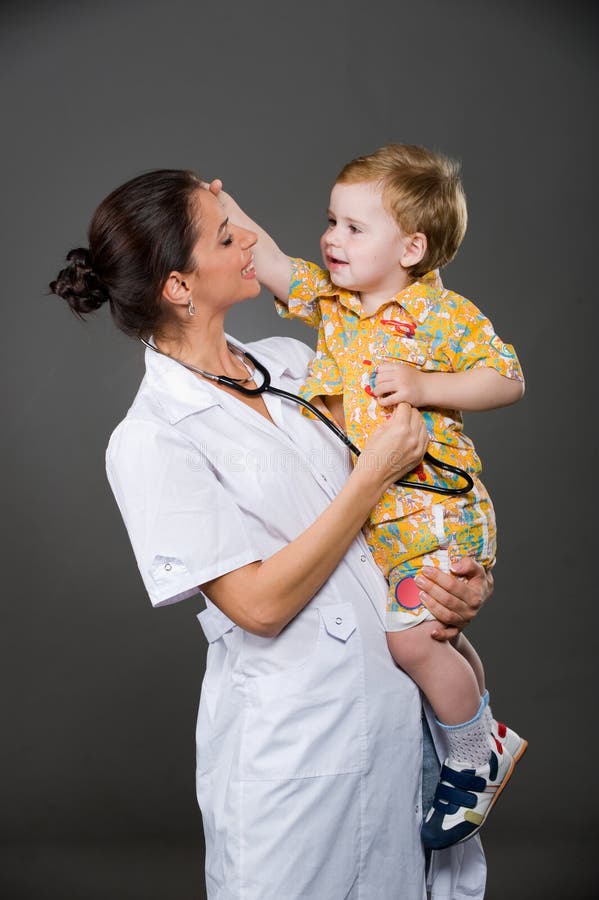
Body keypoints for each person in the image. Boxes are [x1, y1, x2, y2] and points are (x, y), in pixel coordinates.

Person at [50, 168, 494, 899]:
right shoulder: (151, 438)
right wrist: (370, 475)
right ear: (179, 288)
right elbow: (256, 606)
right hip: (299, 748)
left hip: (398, 724)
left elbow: (397, 515)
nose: (249, 236)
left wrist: (451, 584)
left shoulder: (292, 367)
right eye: (225, 235)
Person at [210, 143, 527, 851]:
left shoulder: (439, 315)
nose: (331, 239)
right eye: (331, 220)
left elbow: (506, 379)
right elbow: (269, 262)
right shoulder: (336, 306)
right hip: (385, 518)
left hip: (435, 507)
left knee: (410, 642)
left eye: (355, 228)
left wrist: (424, 385)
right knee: (435, 637)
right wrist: (222, 210)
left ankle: (475, 757)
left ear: (411, 248)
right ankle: (480, 729)